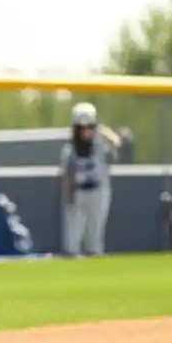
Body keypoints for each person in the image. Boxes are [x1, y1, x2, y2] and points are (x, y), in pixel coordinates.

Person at [60, 102, 118, 257]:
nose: (86, 132)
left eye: (90, 127)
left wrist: (104, 132)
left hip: (98, 192)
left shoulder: (100, 146)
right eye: (82, 128)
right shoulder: (69, 150)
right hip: (79, 193)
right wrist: (70, 199)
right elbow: (68, 176)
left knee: (94, 241)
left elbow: (117, 145)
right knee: (72, 243)